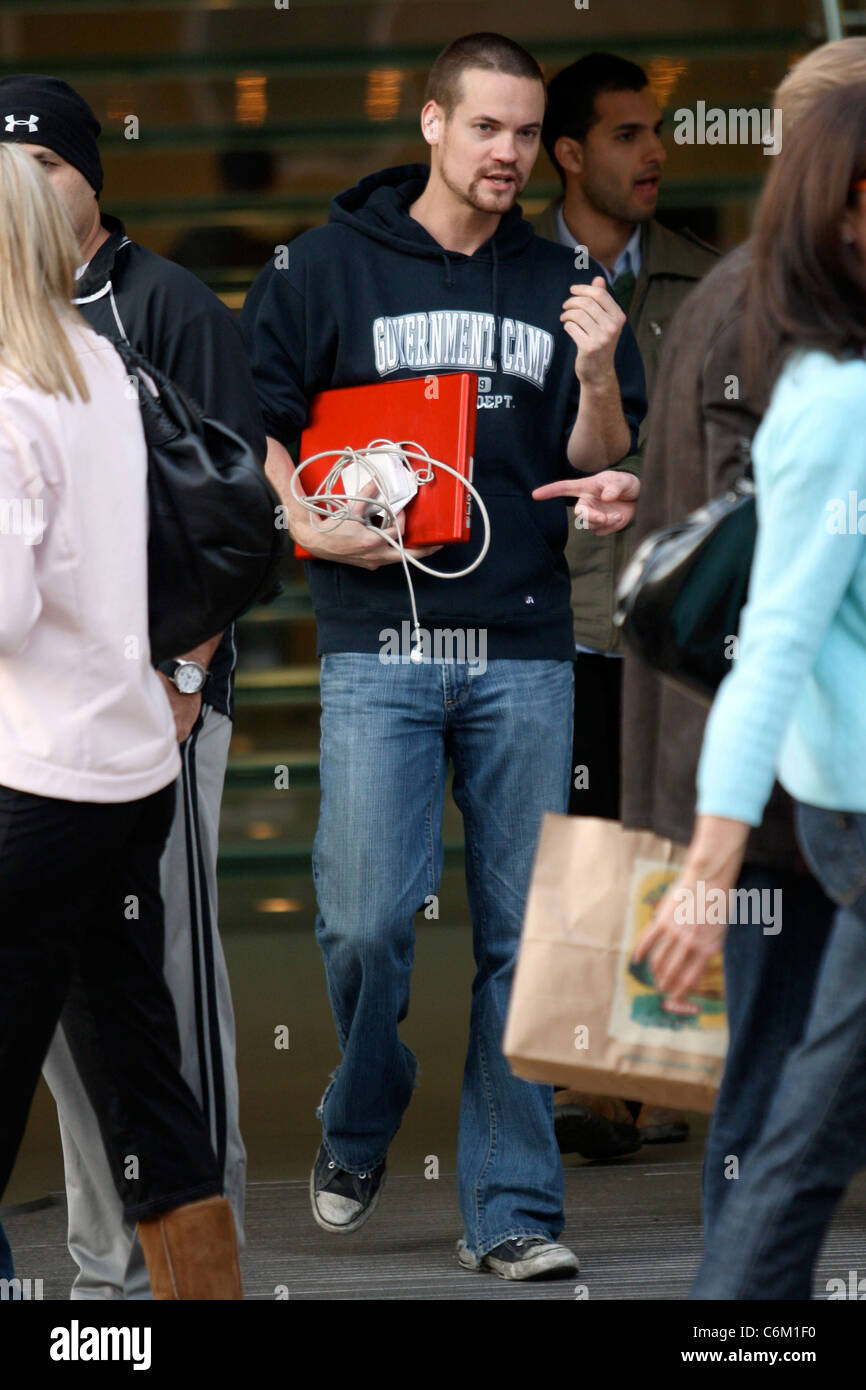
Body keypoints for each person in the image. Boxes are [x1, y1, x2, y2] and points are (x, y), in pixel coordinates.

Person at [241, 31, 645, 1281]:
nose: (508, 155)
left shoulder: (565, 273)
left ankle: (512, 1205)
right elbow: (254, 423)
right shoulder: (324, 265)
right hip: (378, 642)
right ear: (430, 123)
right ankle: (364, 1112)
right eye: (486, 128)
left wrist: (592, 376)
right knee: (366, 918)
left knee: (528, 939)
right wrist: (295, 515)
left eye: (525, 134)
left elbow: (603, 449)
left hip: (525, 645)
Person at [0, 73, 263, 1300]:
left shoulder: (13, 392)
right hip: (123, 774)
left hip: (35, 778)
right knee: (143, 1074)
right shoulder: (104, 371)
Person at [619, 38, 866, 1241]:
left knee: (790, 1082)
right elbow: (757, 567)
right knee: (772, 1087)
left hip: (769, 761)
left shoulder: (742, 287)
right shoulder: (770, 304)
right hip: (769, 775)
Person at [532, 52, 718, 1159]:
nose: (652, 152)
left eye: (657, 131)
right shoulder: (509, 276)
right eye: (622, 134)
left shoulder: (702, 279)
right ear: (567, 152)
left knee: (662, 840)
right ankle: (583, 1084)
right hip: (545, 610)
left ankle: (637, 1075)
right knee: (570, 840)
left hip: (669, 616)